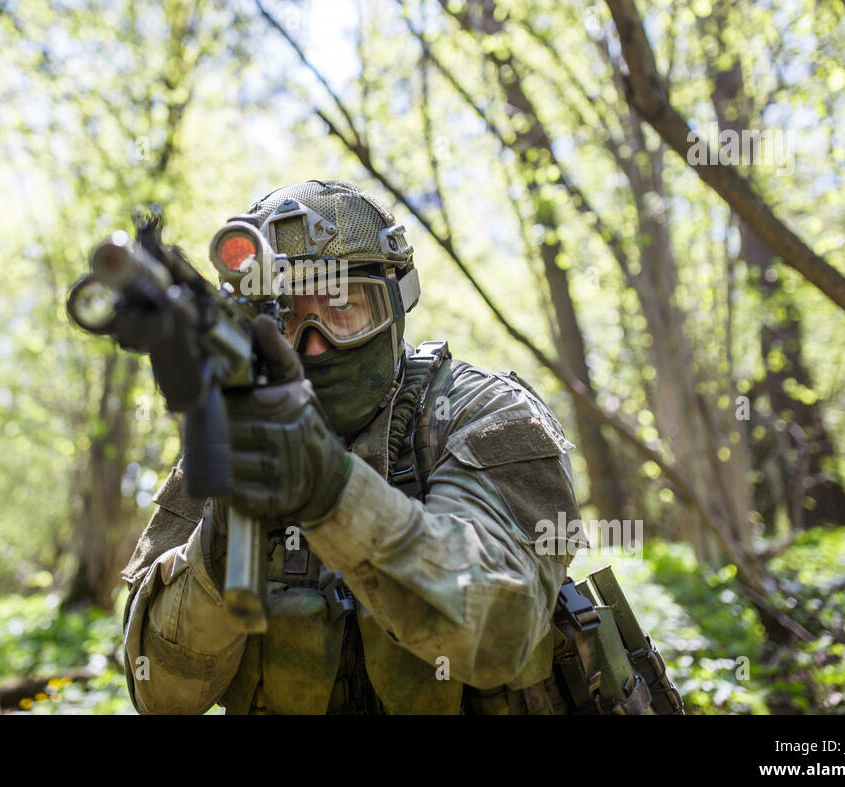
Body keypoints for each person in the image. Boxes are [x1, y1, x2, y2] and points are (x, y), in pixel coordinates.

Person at [118, 179, 591, 714]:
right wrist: (223, 539)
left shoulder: (484, 416)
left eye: (344, 308)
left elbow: (500, 634)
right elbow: (160, 693)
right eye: (287, 316)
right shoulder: (228, 449)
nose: (315, 342)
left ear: (397, 305)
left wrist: (330, 491)